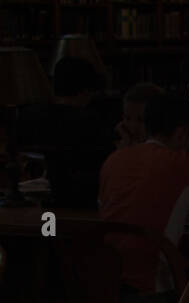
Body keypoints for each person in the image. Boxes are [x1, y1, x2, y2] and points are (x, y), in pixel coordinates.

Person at [99, 93, 189, 303]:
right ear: (182, 134)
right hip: (153, 289)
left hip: (104, 282)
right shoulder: (187, 164)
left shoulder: (114, 159)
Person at [17, 57, 116, 208]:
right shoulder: (91, 122)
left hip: (34, 202)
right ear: (85, 90)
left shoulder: (29, 116)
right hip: (81, 202)